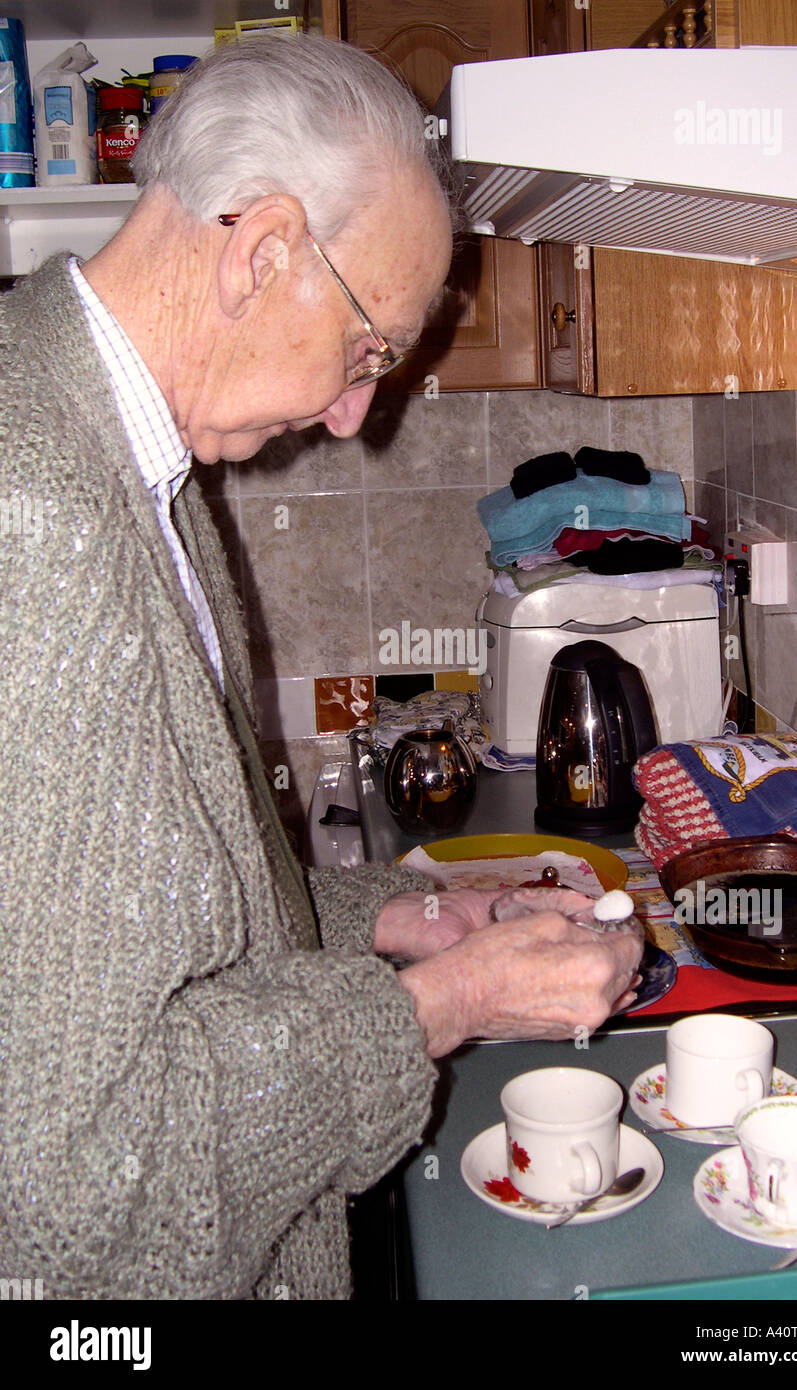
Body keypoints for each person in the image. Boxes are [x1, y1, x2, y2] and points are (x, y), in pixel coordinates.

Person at [0, 34, 642, 1300]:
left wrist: (406, 923)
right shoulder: (36, 519)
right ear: (264, 249)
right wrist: (434, 1007)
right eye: (365, 350)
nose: (357, 412)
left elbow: (169, 926)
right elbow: (80, 1193)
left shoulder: (137, 464)